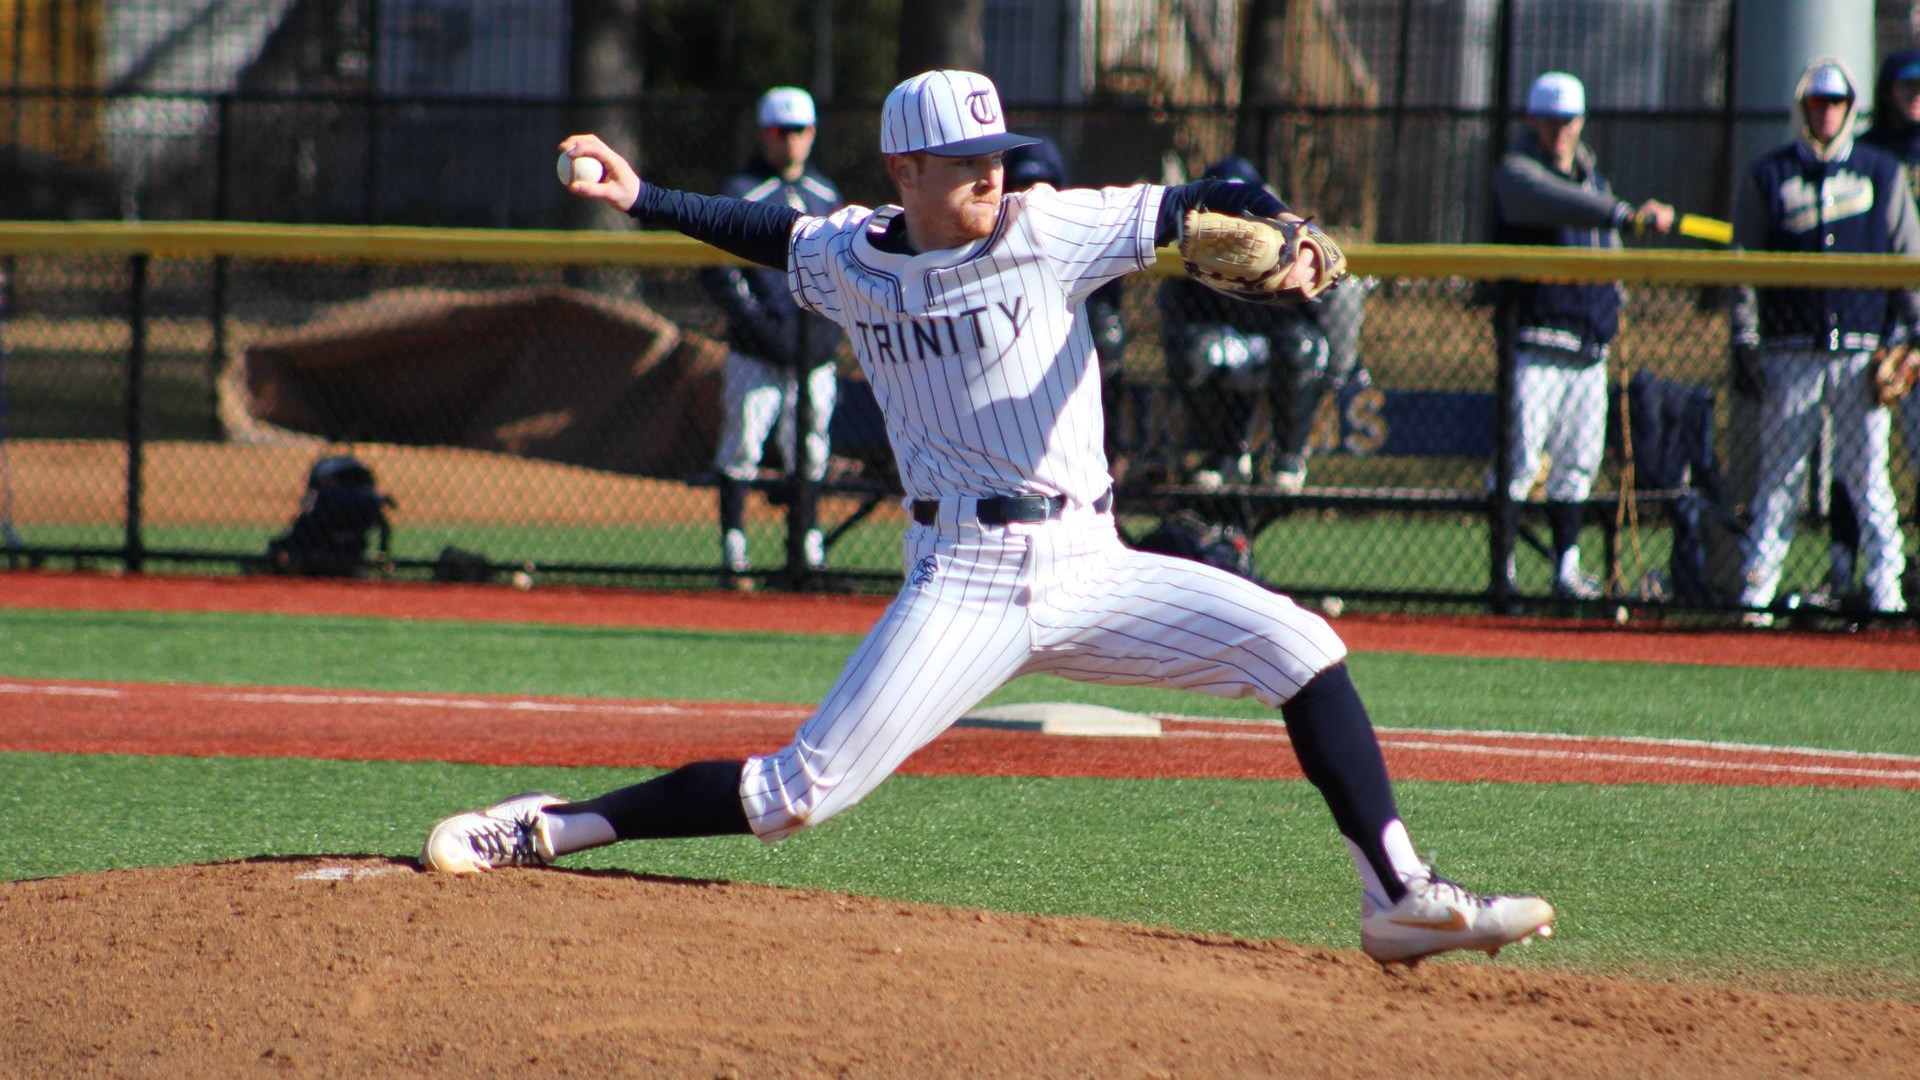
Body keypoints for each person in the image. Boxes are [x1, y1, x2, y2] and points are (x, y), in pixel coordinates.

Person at [424, 70, 1555, 966]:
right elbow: (767, 235)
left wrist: (1287, 226)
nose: (989, 177)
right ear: (905, 169)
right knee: (789, 799)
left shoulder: (1046, 228)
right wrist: (640, 198)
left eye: (996, 156)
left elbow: (1192, 202)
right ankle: (552, 825)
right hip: (960, 575)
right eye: (964, 162)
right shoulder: (848, 254)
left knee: (1303, 648)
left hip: (1088, 558)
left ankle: (1398, 895)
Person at [1730, 58, 1918, 624]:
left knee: (1869, 480)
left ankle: (1887, 591)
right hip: (1792, 347)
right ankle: (1757, 590)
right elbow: (1744, 264)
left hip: (1863, 351)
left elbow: (1907, 257)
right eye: (1817, 102)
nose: (1826, 112)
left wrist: (1915, 334)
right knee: (1780, 476)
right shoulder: (1770, 175)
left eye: (1835, 102)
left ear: (1851, 107)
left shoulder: (1878, 172)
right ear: (1802, 107)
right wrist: (1745, 336)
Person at [1490, 72, 1675, 600]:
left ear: (1580, 122)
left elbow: (1606, 248)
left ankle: (1565, 571)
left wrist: (1616, 302)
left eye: (1567, 121)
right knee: (1521, 463)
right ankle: (1500, 573)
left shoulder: (1594, 181)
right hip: (1535, 341)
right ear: (1533, 121)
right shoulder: (1518, 171)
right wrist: (1626, 214)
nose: (1559, 132)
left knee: (1577, 464)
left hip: (1588, 347)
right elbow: (1554, 202)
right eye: (1550, 121)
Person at [700, 86, 846, 589]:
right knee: (743, 444)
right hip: (756, 352)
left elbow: (843, 268)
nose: (791, 141)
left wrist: (827, 333)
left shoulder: (826, 195)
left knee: (810, 450)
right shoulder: (740, 191)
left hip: (814, 355)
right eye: (781, 131)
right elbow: (719, 270)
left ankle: (807, 557)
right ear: (764, 134)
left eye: (800, 130)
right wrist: (760, 326)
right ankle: (733, 557)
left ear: (812, 133)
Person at [1158, 156, 1368, 492]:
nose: (1232, 224)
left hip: (1284, 350)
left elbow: (1338, 298)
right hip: (1230, 349)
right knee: (1194, 350)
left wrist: (1338, 368)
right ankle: (1223, 454)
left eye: (1239, 213)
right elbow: (1177, 328)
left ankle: (1289, 458)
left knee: (1298, 346)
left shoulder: (1293, 244)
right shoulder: (1188, 253)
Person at [1821, 49, 1920, 612]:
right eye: (1906, 84)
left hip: (1912, 323)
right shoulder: (1872, 157)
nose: (1914, 94)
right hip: (1885, 336)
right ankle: (1842, 567)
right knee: (1859, 461)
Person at [1000, 138, 1136, 479]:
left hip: (1070, 352)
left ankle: (1112, 452)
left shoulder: (1079, 232)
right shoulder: (986, 246)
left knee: (1106, 332)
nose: (1030, 196)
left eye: (1040, 185)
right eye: (1020, 186)